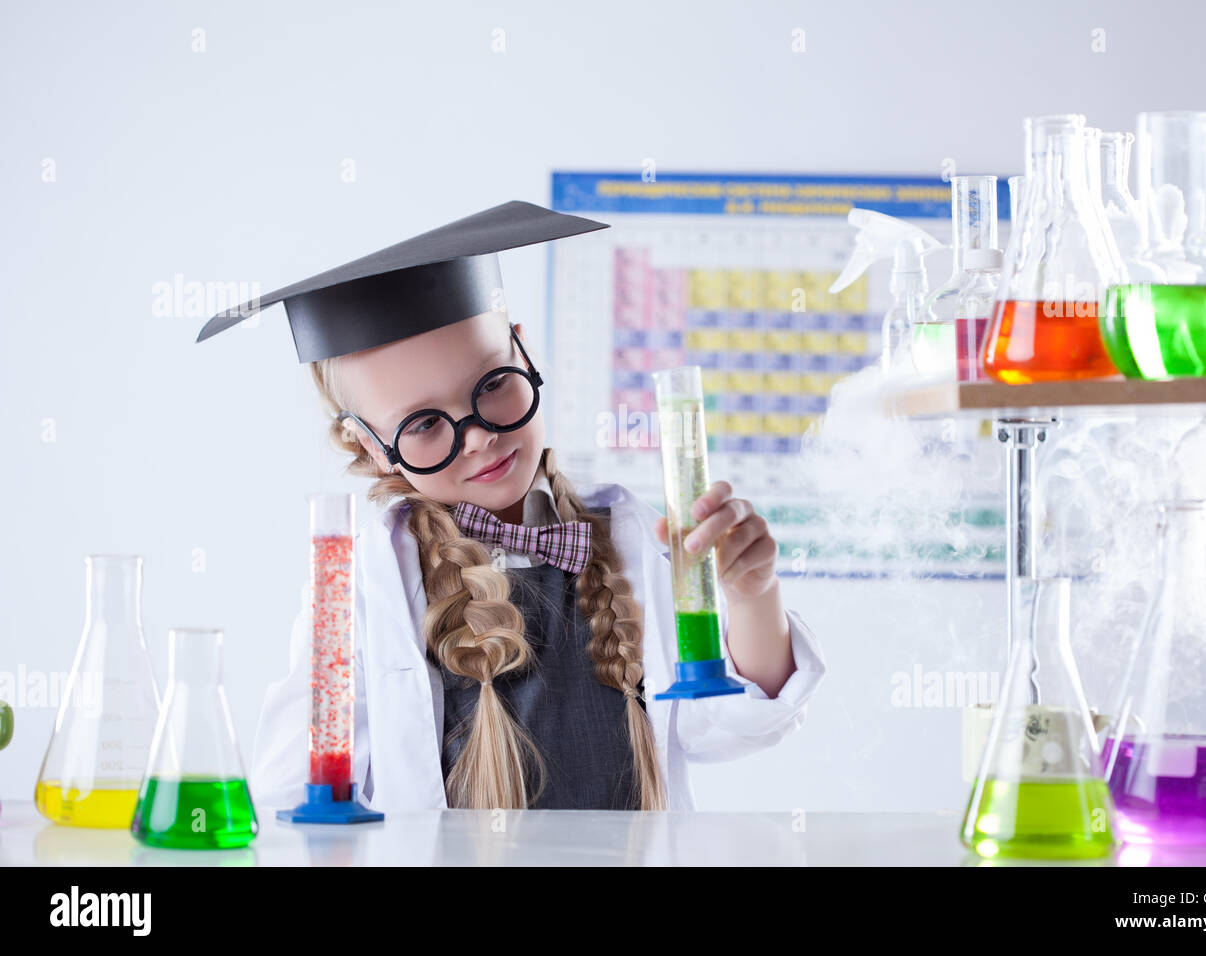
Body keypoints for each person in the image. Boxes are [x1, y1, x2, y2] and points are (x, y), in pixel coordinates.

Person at [198, 200, 827, 812]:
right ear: (371, 444)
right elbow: (292, 790)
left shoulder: (631, 539)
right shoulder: (360, 586)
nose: (478, 437)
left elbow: (730, 723)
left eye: (494, 384)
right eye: (421, 424)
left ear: (524, 352)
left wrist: (750, 593)